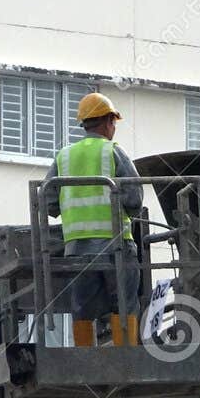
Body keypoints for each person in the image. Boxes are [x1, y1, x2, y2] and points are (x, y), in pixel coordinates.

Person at [43, 92, 142, 347]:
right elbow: (134, 199)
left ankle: (84, 361)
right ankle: (126, 360)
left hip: (76, 249)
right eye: (114, 123)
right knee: (124, 303)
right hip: (116, 246)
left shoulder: (64, 156)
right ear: (109, 121)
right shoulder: (114, 152)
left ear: (84, 123)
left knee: (82, 307)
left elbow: (47, 200)